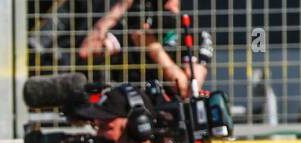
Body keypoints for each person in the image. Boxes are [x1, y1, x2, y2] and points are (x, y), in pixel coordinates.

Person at [78, 0, 213, 97]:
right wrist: (121, 7)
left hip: (170, 113)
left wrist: (152, 47)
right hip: (130, 108)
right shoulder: (135, 30)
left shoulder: (195, 34)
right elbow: (85, 52)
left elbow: (187, 90)